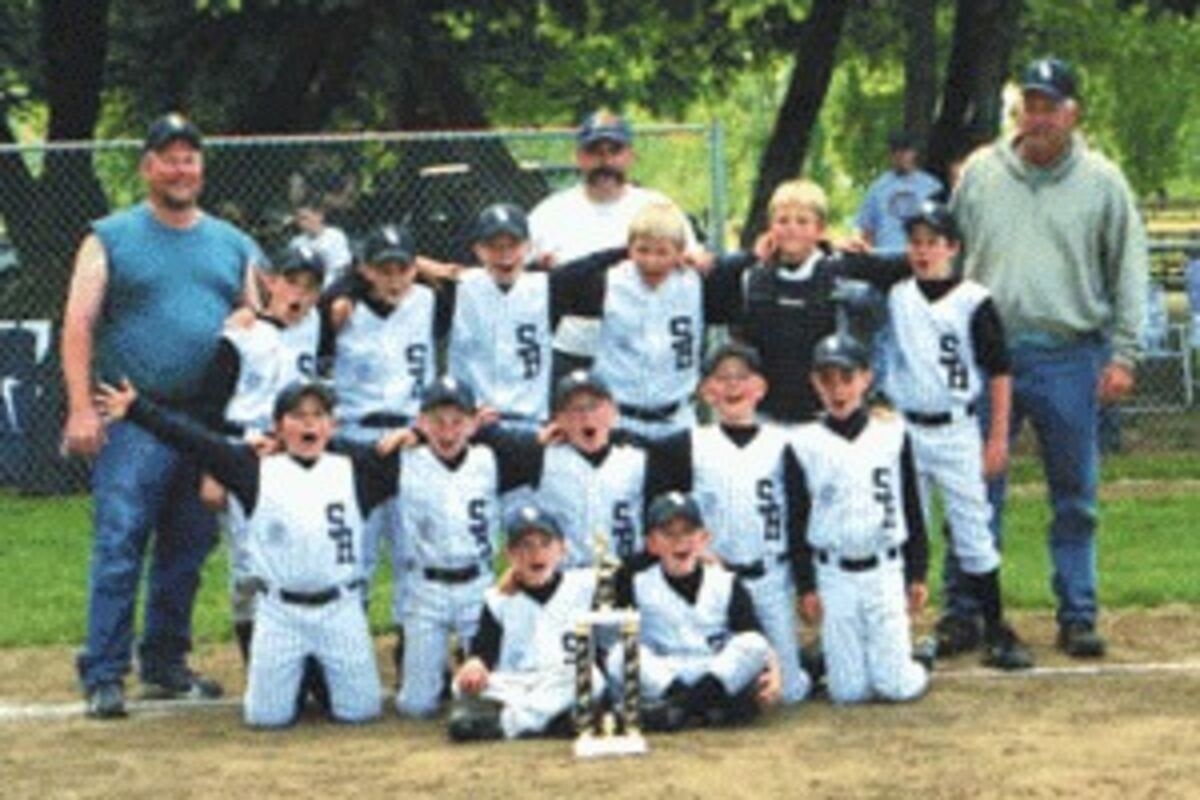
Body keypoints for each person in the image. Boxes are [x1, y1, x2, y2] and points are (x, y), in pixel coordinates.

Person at [61, 113, 260, 719]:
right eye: (168, 158)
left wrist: (254, 318)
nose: (181, 169)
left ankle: (165, 662)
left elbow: (266, 315)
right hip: (131, 412)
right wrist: (79, 409)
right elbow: (79, 323)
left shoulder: (233, 242)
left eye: (190, 158)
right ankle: (104, 669)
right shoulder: (110, 237)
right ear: (147, 166)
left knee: (188, 545)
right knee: (121, 539)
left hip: (202, 417)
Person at [949, 57, 1149, 658]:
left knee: (1075, 494)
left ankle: (1078, 612)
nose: (1036, 117)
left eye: (1047, 106)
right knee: (974, 490)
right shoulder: (982, 173)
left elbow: (1129, 270)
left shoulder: (1103, 181)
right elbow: (946, 253)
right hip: (987, 354)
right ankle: (966, 611)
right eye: (1028, 105)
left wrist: (1125, 354)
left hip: (1070, 354)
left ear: (1071, 112)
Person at [96, 380, 389, 728]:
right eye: (297, 416)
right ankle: (303, 676)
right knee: (267, 718)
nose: (309, 424)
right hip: (280, 613)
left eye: (319, 416)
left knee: (360, 712)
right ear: (278, 427)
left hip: (340, 610)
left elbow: (424, 456)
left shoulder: (355, 471)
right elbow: (196, 443)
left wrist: (409, 438)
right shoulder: (253, 470)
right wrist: (138, 410)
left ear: (333, 425)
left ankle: (315, 675)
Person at [883, 202, 1031, 670]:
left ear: (953, 247)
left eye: (933, 242)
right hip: (907, 428)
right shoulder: (898, 293)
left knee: (973, 528)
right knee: (902, 529)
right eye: (916, 242)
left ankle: (996, 629)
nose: (923, 251)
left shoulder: (972, 299)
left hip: (957, 427)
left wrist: (998, 436)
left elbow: (1000, 370)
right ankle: (896, 635)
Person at [640, 343, 810, 705]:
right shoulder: (687, 444)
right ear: (705, 390)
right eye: (722, 378)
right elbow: (657, 507)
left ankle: (809, 662)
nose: (733, 387)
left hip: (769, 577)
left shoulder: (784, 443)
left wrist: (806, 585)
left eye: (742, 377)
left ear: (761, 387)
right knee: (722, 674)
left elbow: (798, 517)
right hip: (712, 580)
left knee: (788, 693)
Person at [191, 242, 327, 662]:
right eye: (290, 281)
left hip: (298, 455)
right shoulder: (241, 335)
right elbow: (209, 408)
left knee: (300, 554)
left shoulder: (315, 324)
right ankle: (260, 666)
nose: (298, 294)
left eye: (309, 286)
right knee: (250, 563)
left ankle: (302, 656)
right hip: (245, 451)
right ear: (270, 281)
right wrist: (212, 471)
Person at [791, 334, 931, 704]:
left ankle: (916, 659)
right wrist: (806, 585)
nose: (838, 390)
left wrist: (917, 572)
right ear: (814, 383)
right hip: (833, 572)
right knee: (848, 693)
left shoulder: (891, 433)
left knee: (895, 687)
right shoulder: (804, 443)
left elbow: (911, 505)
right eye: (827, 380)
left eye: (846, 378)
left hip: (885, 568)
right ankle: (832, 658)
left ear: (866, 378)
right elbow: (797, 518)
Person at [707, 179, 908, 424]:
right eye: (783, 221)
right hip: (765, 415)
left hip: (826, 415)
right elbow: (712, 291)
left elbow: (906, 265)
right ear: (770, 226)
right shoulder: (752, 276)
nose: (792, 228)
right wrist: (745, 256)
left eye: (802, 222)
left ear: (820, 228)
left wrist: (847, 249)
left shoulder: (841, 268)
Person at [528, 110, 697, 384]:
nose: (605, 161)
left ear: (630, 155)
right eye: (594, 151)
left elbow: (690, 264)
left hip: (643, 348)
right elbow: (519, 279)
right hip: (574, 351)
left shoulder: (657, 207)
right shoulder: (549, 213)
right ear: (579, 157)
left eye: (614, 151)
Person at [609, 491, 781, 731]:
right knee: (619, 654)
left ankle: (675, 711)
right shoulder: (636, 583)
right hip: (665, 674)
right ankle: (706, 709)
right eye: (668, 533)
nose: (680, 541)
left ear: (704, 538)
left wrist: (775, 672)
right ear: (651, 543)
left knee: (753, 644)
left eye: (688, 532)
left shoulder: (725, 581)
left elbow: (754, 636)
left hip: (713, 670)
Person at [447, 504, 599, 742]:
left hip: (564, 679)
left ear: (562, 549)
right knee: (460, 684)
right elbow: (483, 651)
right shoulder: (498, 599)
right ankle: (555, 721)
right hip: (518, 685)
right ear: (509, 554)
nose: (536, 554)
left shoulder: (585, 585)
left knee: (590, 676)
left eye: (545, 544)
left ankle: (507, 724)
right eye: (525, 546)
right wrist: (474, 665)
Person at [854, 131, 944, 255]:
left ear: (914, 152)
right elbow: (866, 230)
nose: (901, 155)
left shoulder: (932, 187)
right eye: (896, 151)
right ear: (890, 154)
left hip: (921, 257)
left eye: (906, 150)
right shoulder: (877, 188)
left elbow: (942, 227)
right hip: (883, 257)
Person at [289, 197, 352, 289]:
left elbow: (342, 269)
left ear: (319, 216)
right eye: (299, 219)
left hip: (337, 283)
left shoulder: (335, 236)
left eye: (305, 218)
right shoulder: (296, 243)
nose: (301, 223)